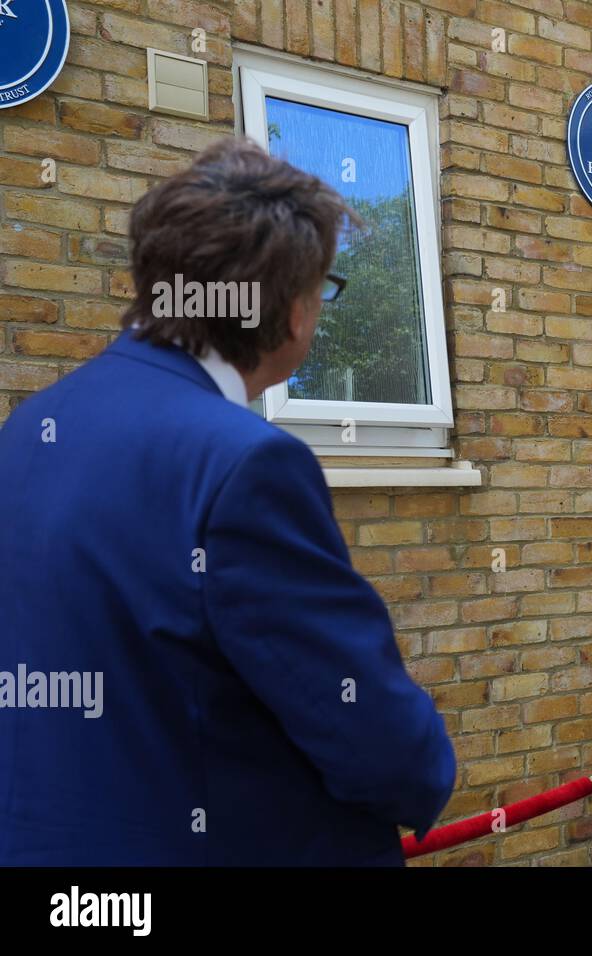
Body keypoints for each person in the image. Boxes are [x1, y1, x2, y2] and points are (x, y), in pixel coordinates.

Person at [0, 138, 456, 865]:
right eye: (324, 287)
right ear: (294, 308)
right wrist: (428, 768)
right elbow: (380, 743)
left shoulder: (27, 430)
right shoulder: (245, 463)